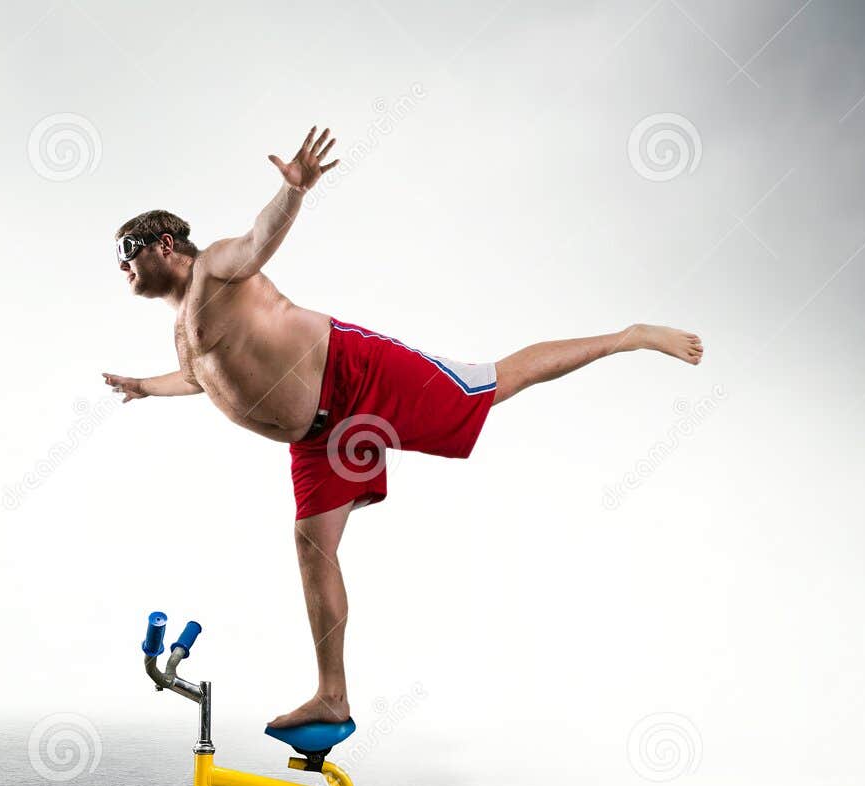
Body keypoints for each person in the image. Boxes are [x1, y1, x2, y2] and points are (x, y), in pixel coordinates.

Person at [104, 127, 703, 731]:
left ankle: (628, 337)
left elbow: (258, 241)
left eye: (127, 250)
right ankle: (332, 696)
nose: (121, 265)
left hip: (354, 376)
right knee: (313, 549)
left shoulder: (213, 268)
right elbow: (199, 379)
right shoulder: (180, 326)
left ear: (163, 244)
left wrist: (293, 193)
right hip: (319, 439)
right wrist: (144, 387)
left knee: (495, 383)